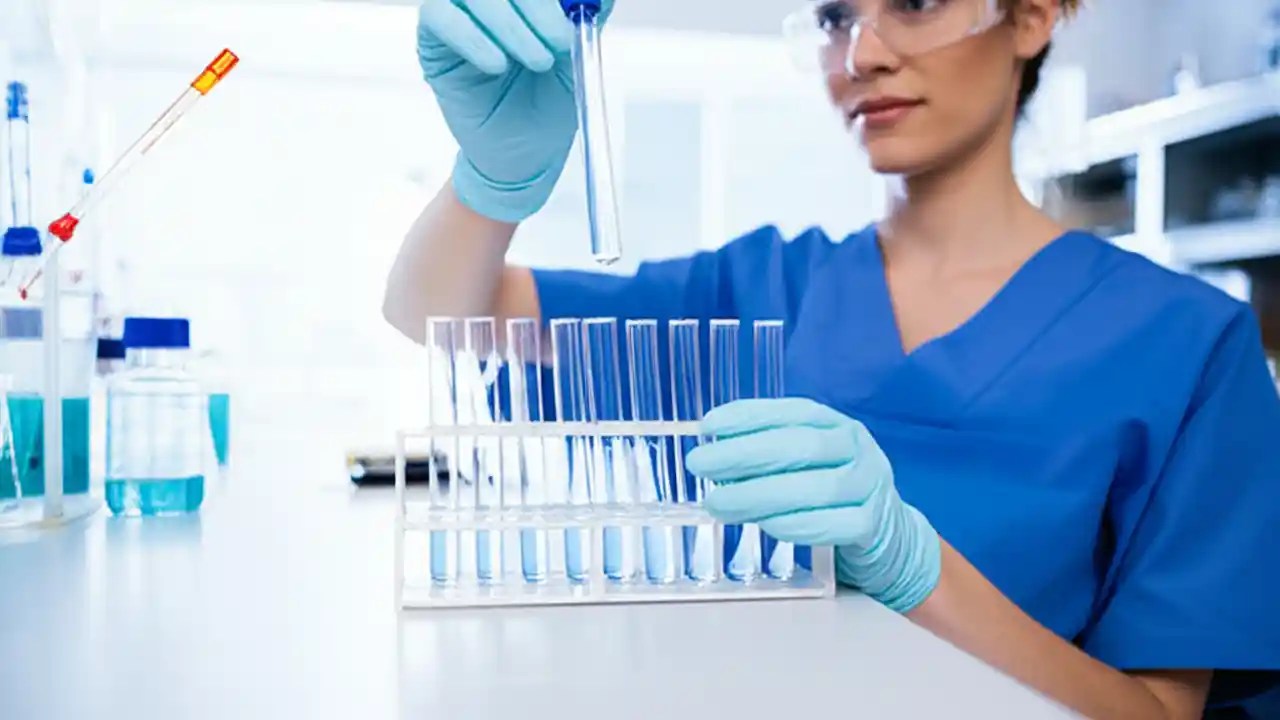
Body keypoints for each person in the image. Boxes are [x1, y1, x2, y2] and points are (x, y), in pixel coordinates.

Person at [385, 0, 1280, 717]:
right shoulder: (756, 286)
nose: (862, 54)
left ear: (1034, 16)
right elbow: (434, 312)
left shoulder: (1188, 342)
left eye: (916, 4)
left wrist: (914, 567)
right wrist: (492, 180)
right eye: (833, 17)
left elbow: (1157, 713)